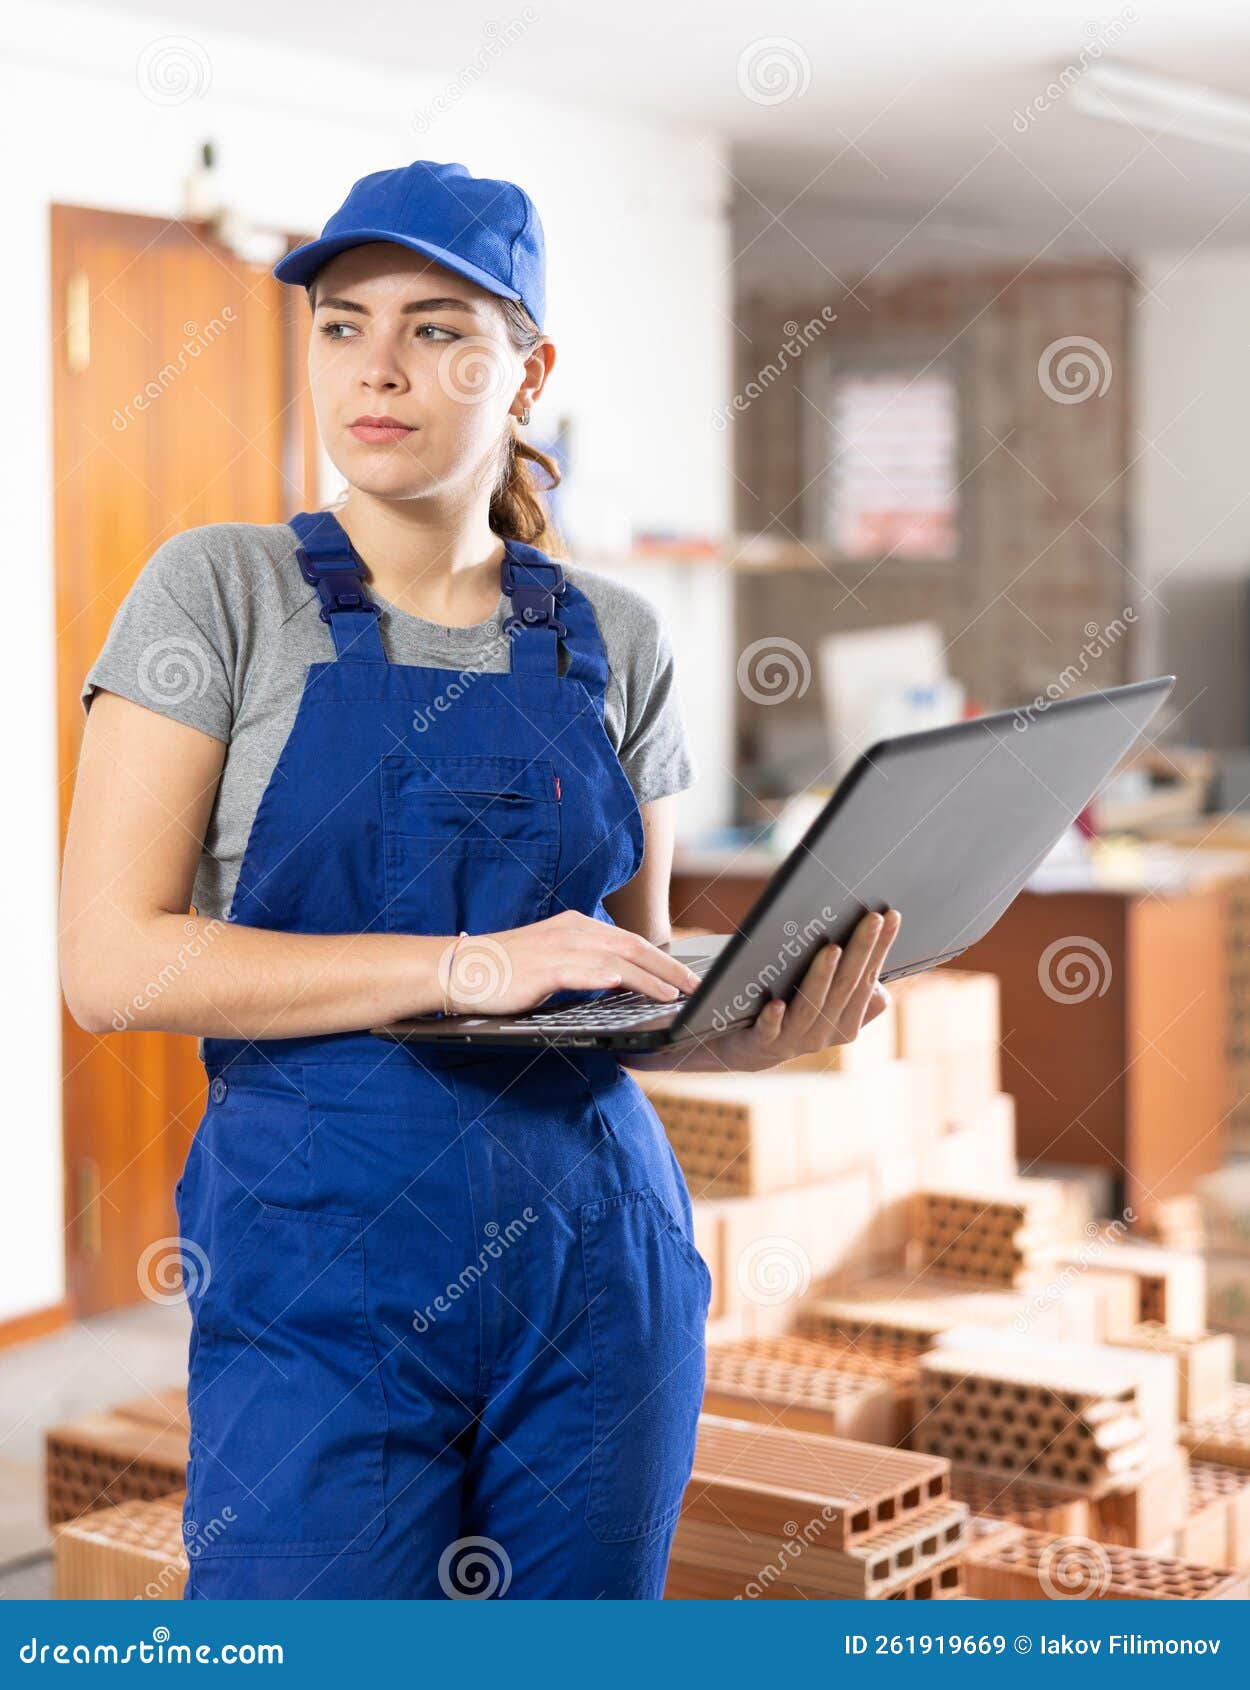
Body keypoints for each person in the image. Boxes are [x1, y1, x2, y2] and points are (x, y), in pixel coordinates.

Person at [59, 159, 901, 1600]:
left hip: (598, 1264)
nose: (377, 365)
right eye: (342, 322)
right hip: (324, 1269)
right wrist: (463, 963)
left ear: (528, 369)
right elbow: (109, 965)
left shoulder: (611, 636)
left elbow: (620, 981)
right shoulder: (221, 591)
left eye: (440, 326)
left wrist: (754, 1029)